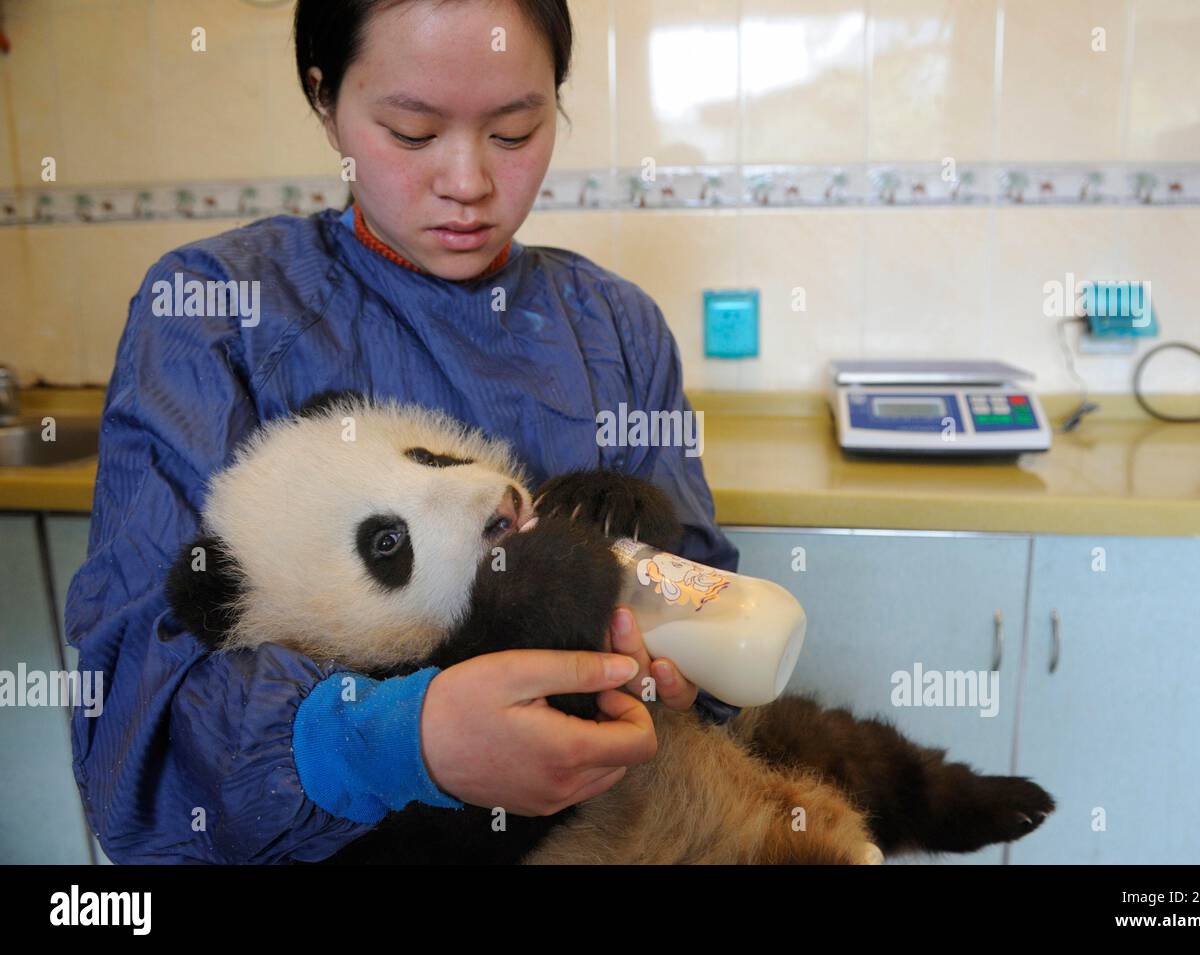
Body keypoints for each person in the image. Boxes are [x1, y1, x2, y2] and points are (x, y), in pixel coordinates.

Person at [64, 0, 739, 864]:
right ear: (324, 98)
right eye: (412, 133)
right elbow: (133, 724)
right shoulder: (213, 313)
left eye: (515, 130)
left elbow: (707, 602)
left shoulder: (615, 326)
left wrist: (685, 665)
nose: (468, 181)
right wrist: (392, 741)